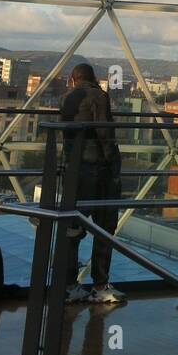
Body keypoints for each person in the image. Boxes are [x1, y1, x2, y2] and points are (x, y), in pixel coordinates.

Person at [59, 64, 126, 305]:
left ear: (72, 79)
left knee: (73, 229)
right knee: (105, 226)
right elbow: (104, 133)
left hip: (74, 168)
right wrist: (113, 166)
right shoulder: (98, 95)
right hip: (98, 169)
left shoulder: (66, 98)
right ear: (94, 78)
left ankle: (68, 285)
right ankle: (100, 285)